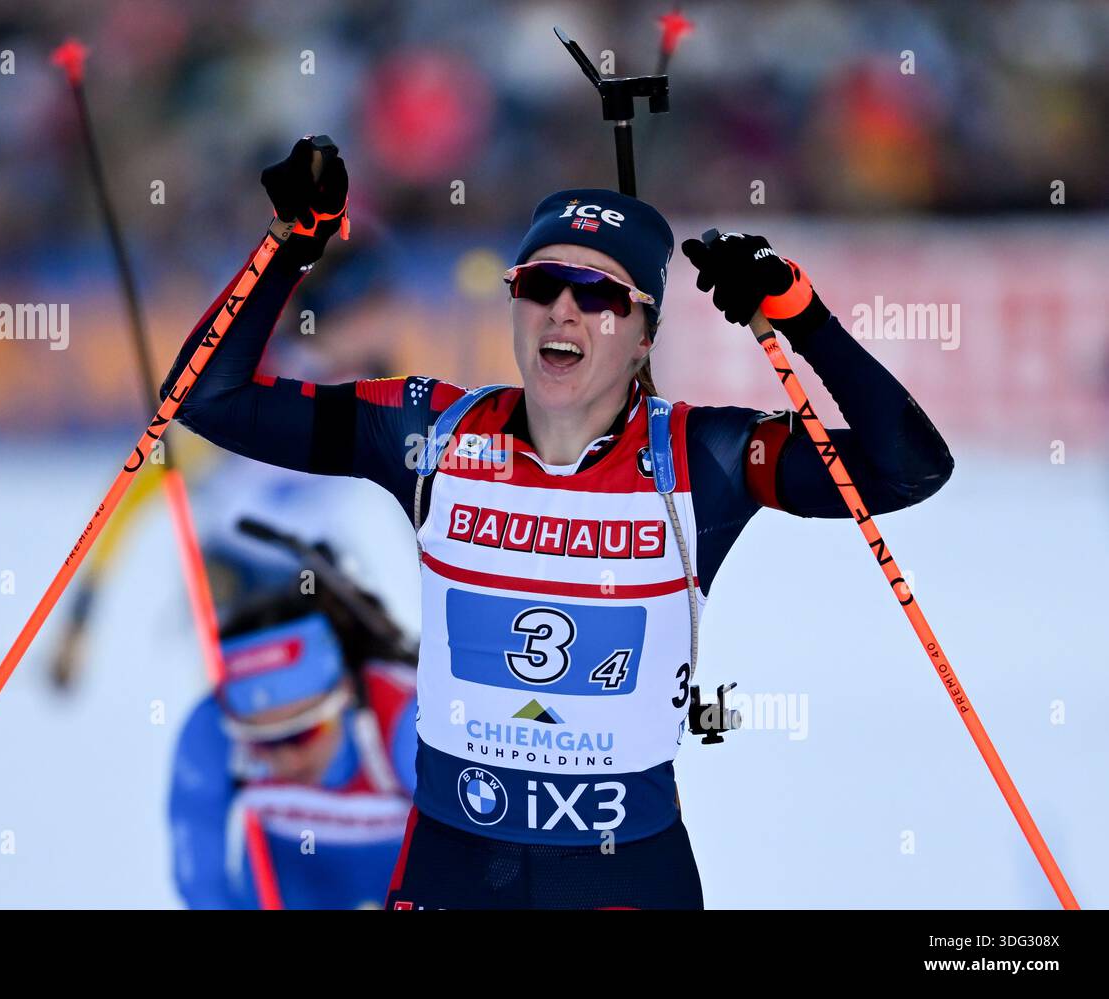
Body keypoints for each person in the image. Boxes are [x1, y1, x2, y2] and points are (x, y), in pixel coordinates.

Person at [160, 136, 954, 909]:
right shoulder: (428, 431)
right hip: (454, 864)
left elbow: (908, 468)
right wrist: (289, 247)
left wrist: (802, 316)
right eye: (540, 286)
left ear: (644, 335)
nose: (562, 311)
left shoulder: (702, 457)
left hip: (624, 870)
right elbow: (205, 398)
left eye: (599, 294)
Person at [169, 526, 417, 909]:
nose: (286, 757)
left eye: (303, 733)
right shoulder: (214, 729)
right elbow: (201, 878)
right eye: (261, 742)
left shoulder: (404, 724)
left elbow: (480, 854)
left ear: (344, 695)